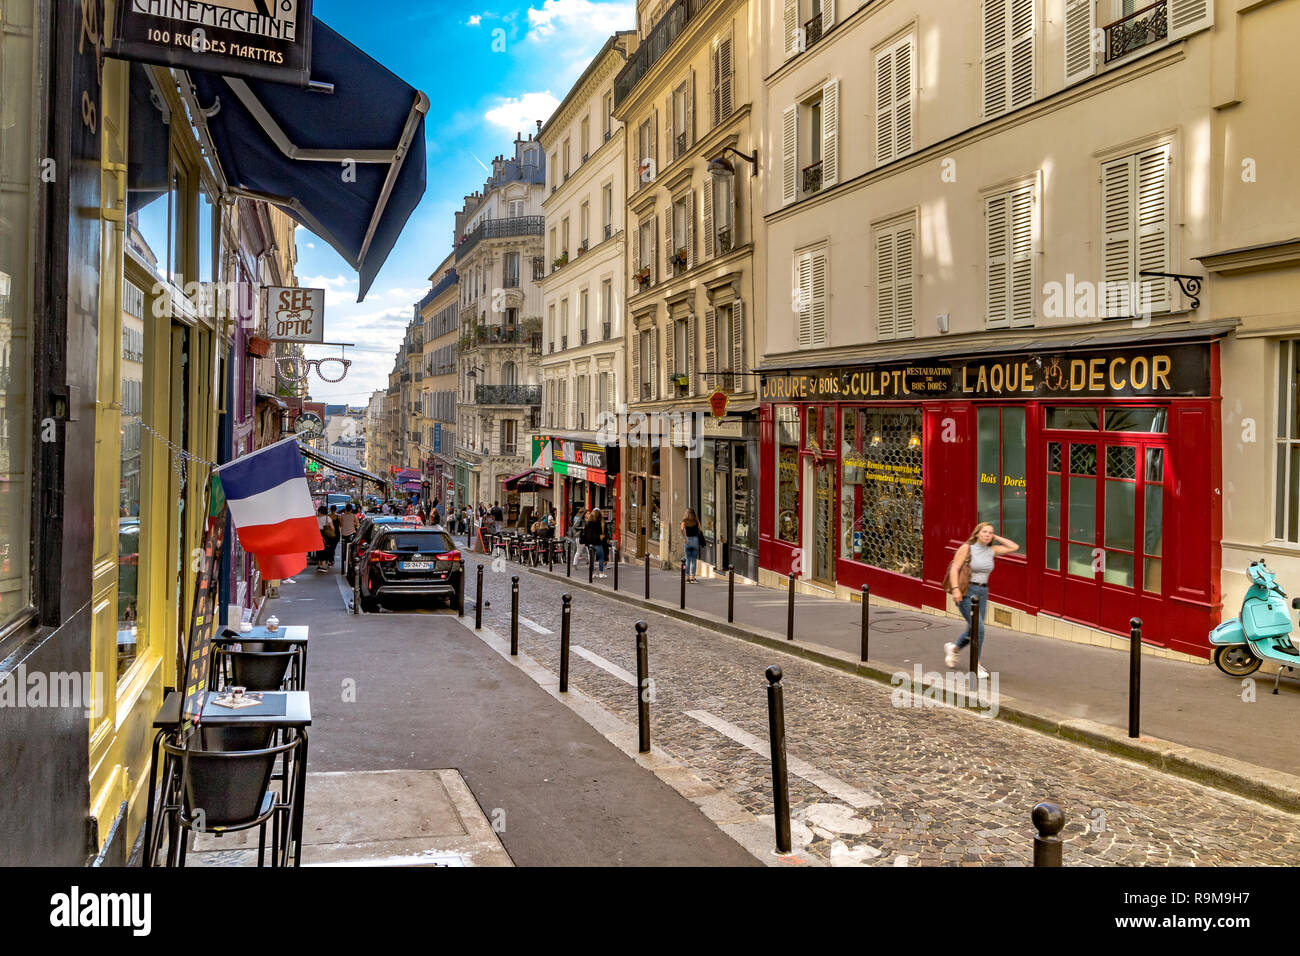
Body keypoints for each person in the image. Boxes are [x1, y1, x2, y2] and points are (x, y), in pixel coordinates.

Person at [944, 522, 1019, 674]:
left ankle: (955, 647)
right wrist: (956, 589)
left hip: (983, 592)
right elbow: (955, 569)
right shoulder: (967, 548)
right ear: (977, 533)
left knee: (975, 628)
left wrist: (995, 537)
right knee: (979, 629)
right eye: (984, 532)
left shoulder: (992, 550)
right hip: (967, 591)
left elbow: (1014, 547)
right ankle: (976, 665)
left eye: (990, 533)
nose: (987, 535)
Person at [582, 507, 609, 578]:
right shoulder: (599, 523)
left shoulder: (588, 523)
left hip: (590, 543)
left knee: (592, 558)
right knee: (601, 557)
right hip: (597, 543)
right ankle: (601, 573)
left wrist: (587, 543)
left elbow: (586, 534)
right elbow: (601, 534)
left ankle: (593, 573)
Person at [681, 508, 702, 582]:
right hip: (695, 540)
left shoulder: (684, 521)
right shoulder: (696, 520)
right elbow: (700, 529)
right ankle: (693, 577)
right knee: (694, 560)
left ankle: (687, 577)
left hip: (687, 540)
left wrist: (684, 537)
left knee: (687, 560)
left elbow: (681, 529)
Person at [338, 504, 358, 575]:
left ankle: (344, 559)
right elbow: (357, 524)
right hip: (352, 534)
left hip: (344, 534)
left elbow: (341, 525)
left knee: (344, 548)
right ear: (351, 510)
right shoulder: (354, 516)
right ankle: (351, 559)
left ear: (345, 509)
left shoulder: (342, 516)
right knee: (352, 548)